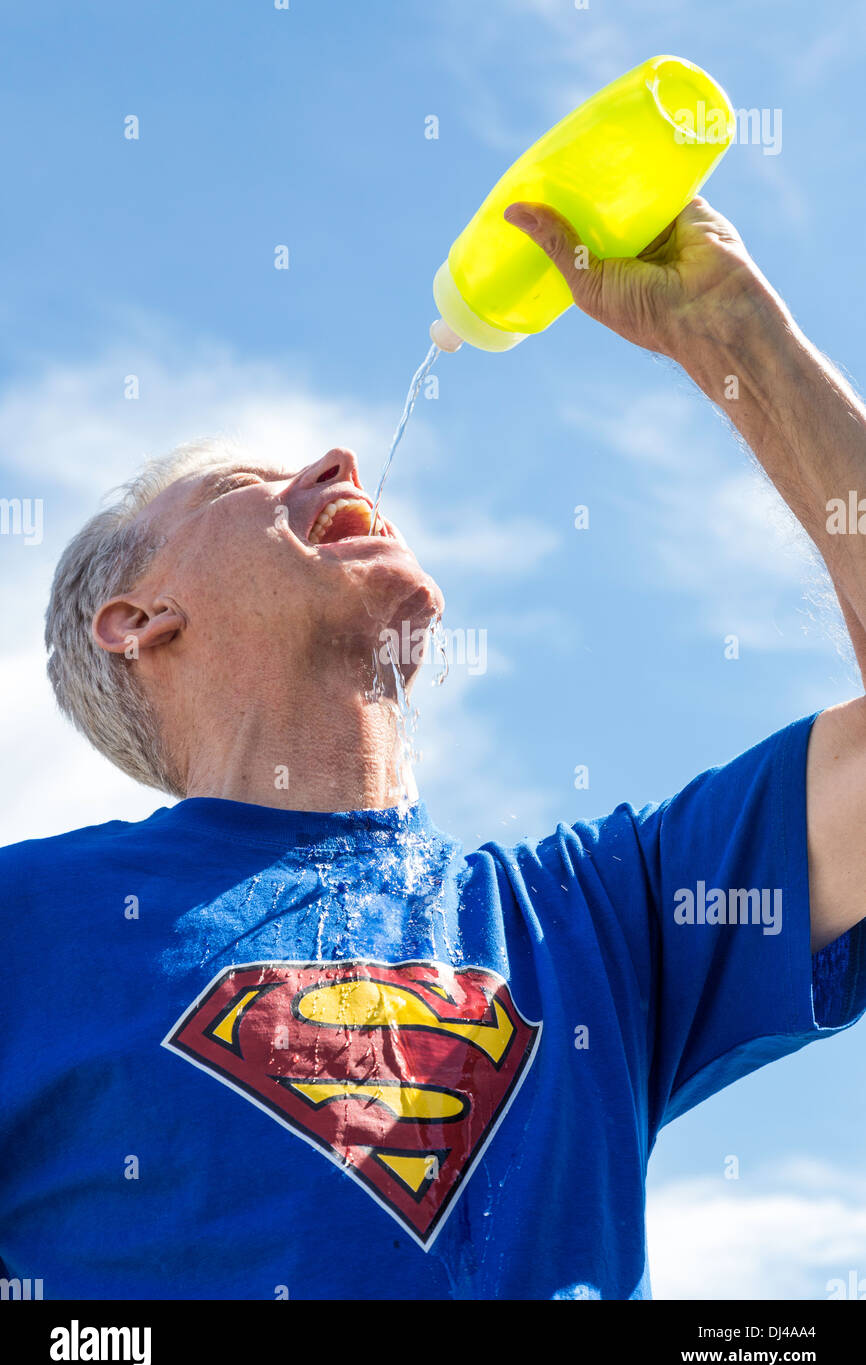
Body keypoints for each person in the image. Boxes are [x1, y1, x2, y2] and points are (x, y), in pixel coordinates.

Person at [1, 197, 864, 1301]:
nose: (335, 461)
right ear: (139, 621)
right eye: (238, 486)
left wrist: (738, 337)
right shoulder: (29, 926)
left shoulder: (598, 915)